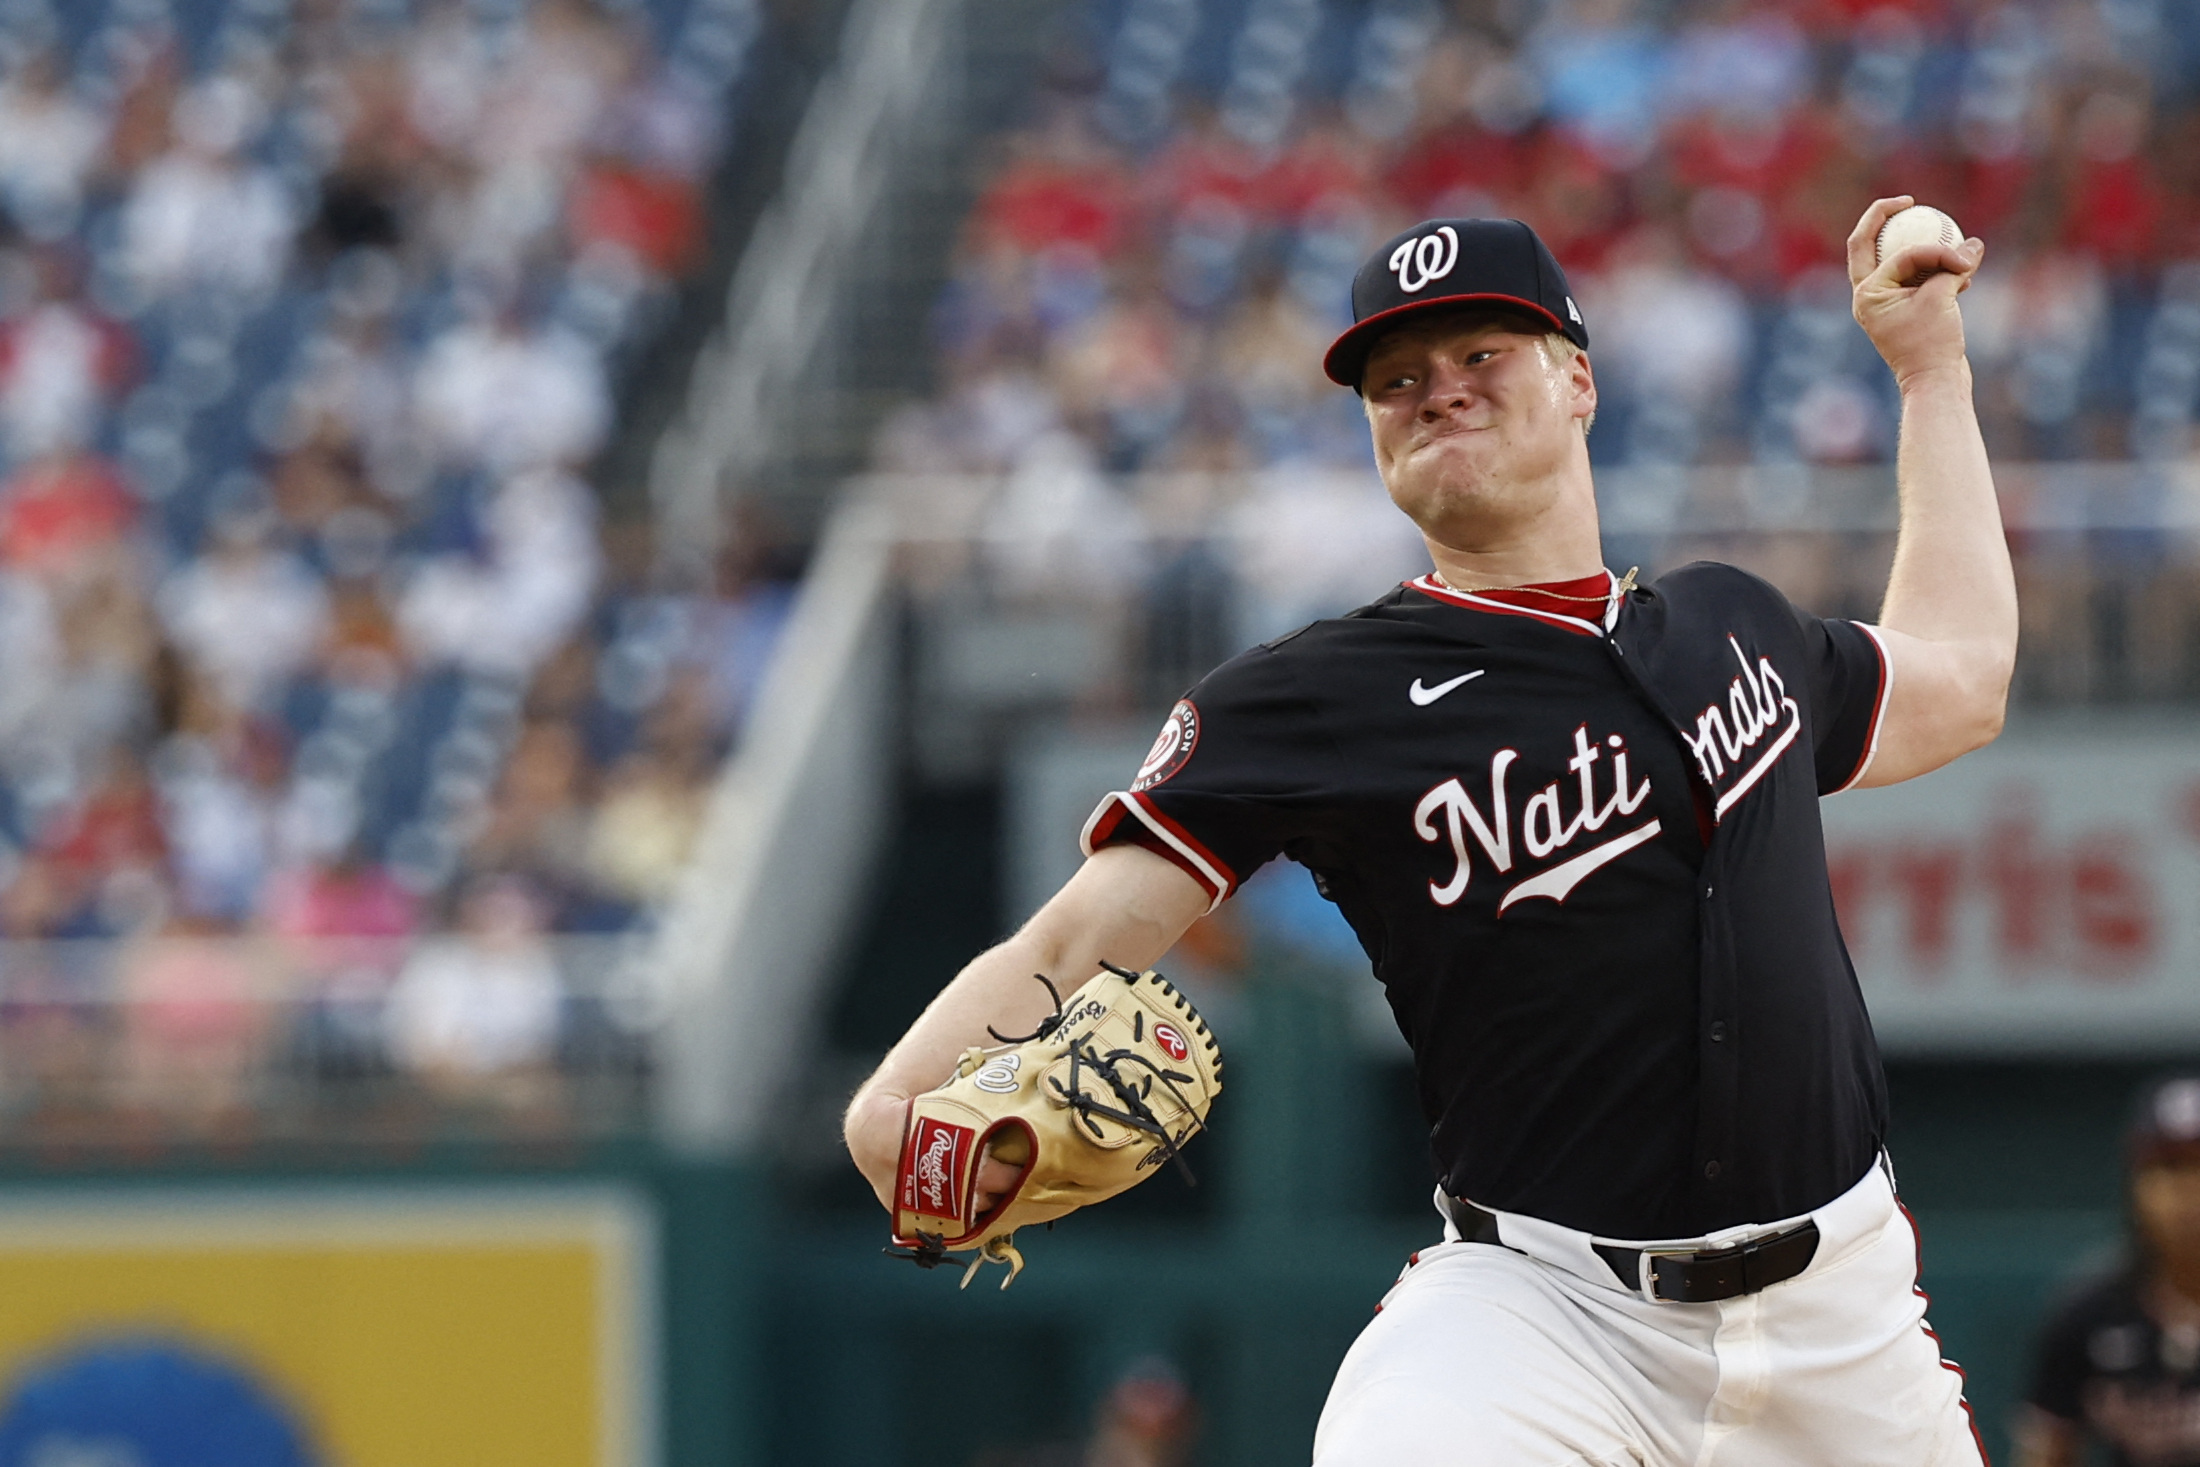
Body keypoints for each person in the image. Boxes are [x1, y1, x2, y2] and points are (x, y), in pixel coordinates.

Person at [845, 201, 2011, 1465]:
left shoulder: (1735, 624)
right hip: (1541, 1314)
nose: (1436, 393)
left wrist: (1929, 368)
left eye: (1479, 357)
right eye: (1395, 380)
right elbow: (1085, 928)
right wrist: (893, 1112)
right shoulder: (1314, 696)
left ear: (1577, 381)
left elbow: (1961, 677)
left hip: (1841, 1317)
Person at [2018, 1075, 2200, 1467]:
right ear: (2136, 1182)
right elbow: (2047, 1453)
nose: (2188, 1191)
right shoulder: (2089, 1312)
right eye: (2170, 1168)